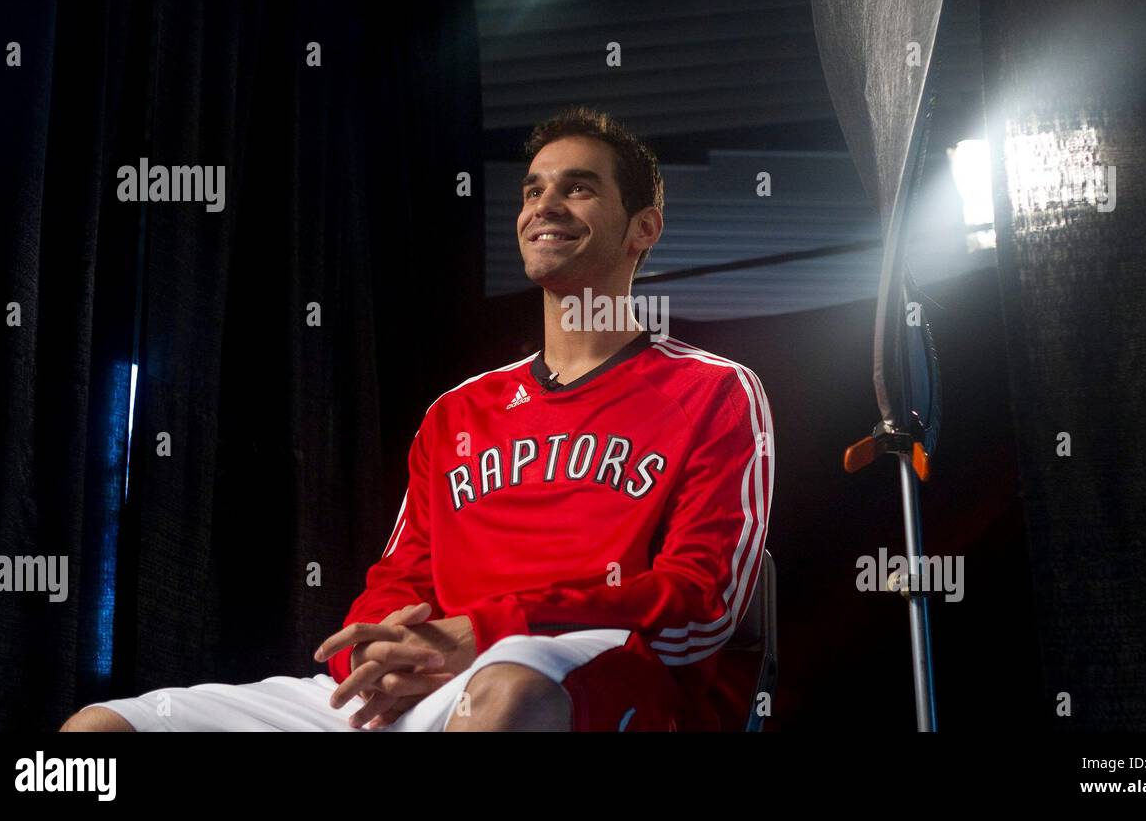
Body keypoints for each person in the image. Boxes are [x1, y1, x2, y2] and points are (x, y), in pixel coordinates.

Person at [61, 105, 774, 732]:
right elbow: (400, 576)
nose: (543, 205)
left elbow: (701, 604)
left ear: (643, 227)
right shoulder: (457, 412)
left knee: (507, 694)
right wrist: (374, 651)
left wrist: (489, 631)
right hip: (430, 677)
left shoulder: (713, 390)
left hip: (585, 674)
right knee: (104, 729)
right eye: (532, 190)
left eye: (578, 187)